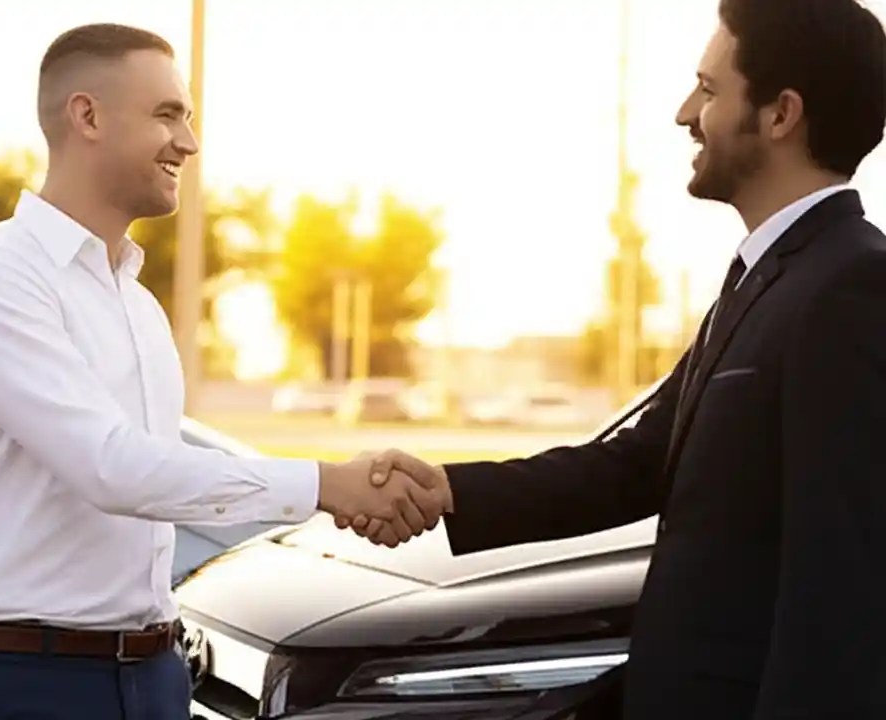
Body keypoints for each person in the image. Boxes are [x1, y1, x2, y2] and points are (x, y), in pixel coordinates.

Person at [350, 0, 886, 718]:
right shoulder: (769, 279)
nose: (683, 112)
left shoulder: (849, 287)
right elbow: (636, 466)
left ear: (780, 114)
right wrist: (448, 490)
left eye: (709, 88)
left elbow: (839, 584)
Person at [0, 23, 451, 720]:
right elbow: (112, 467)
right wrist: (328, 484)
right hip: (27, 683)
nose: (189, 143)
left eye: (187, 118)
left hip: (155, 677)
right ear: (88, 116)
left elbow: (164, 472)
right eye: (167, 114)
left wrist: (331, 499)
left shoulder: (137, 305)